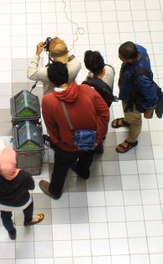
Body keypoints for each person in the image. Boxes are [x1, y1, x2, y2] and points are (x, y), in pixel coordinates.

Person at [39, 62, 110, 199]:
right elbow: (104, 113)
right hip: (91, 138)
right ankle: (83, 172)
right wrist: (98, 137)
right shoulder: (87, 89)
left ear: (51, 81)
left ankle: (55, 191)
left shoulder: (48, 100)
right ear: (67, 75)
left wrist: (57, 141)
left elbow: (51, 126)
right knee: (87, 154)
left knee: (61, 166)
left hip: (68, 145)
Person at [112, 41, 159, 154]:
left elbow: (152, 98)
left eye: (120, 57)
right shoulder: (139, 49)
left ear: (129, 60)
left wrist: (148, 110)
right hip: (128, 93)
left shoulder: (141, 78)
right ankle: (128, 120)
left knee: (135, 120)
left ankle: (131, 140)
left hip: (133, 100)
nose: (119, 57)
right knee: (129, 114)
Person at [0, 147, 45, 240]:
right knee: (29, 205)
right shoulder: (25, 175)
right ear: (15, 162)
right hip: (22, 202)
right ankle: (28, 220)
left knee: (5, 218)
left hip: (3, 205)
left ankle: (12, 233)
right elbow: (32, 187)